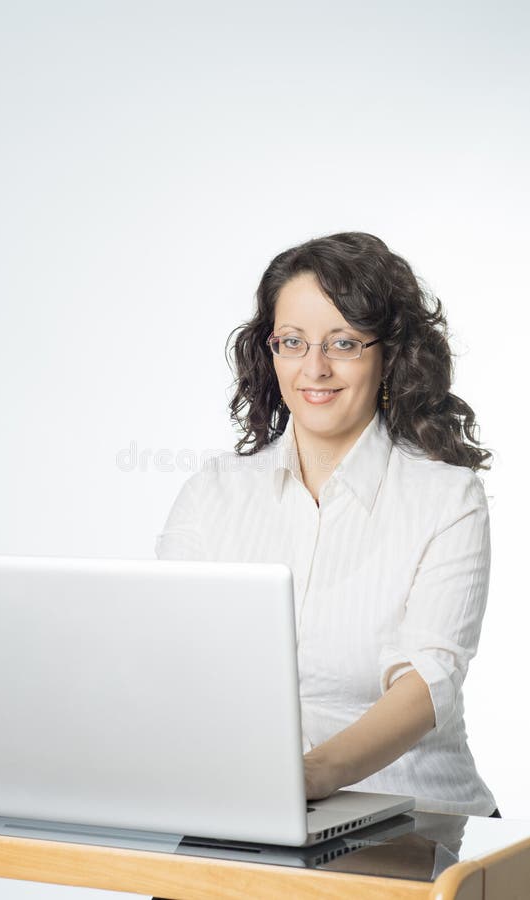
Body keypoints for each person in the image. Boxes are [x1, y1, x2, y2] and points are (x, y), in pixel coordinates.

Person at [154, 231, 500, 818]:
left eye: (343, 343)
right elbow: (167, 655)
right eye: (293, 342)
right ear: (271, 352)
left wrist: (307, 777)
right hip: (255, 812)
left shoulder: (448, 498)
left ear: (389, 354)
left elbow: (427, 681)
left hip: (418, 819)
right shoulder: (211, 494)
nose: (314, 367)